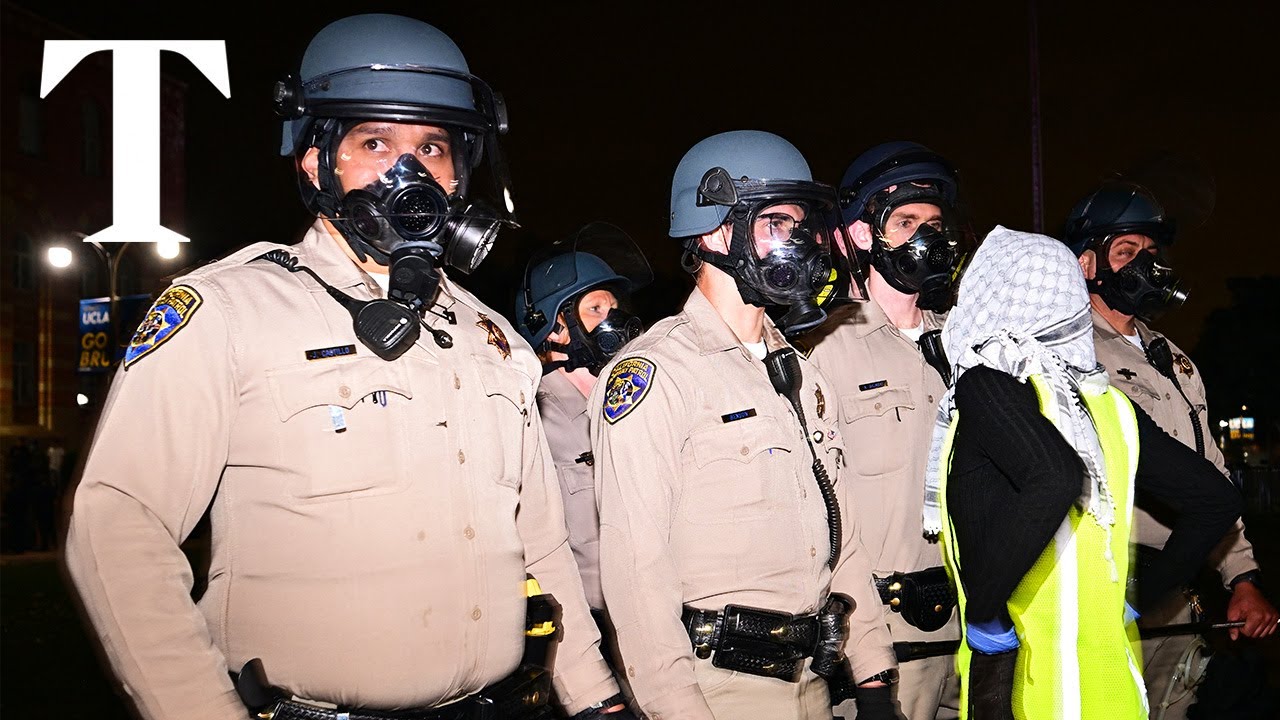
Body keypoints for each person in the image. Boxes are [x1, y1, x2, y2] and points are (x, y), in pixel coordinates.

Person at [63, 13, 629, 720]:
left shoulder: (495, 339)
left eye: (434, 146)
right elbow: (119, 522)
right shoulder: (229, 309)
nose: (411, 170)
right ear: (315, 159)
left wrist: (594, 697)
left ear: (460, 175)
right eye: (375, 142)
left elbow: (539, 541)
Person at [591, 130, 899, 720]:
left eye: (803, 227)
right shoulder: (656, 375)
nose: (800, 245)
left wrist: (875, 679)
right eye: (776, 224)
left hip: (814, 685)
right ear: (714, 232)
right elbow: (637, 573)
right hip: (720, 692)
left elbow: (845, 536)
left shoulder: (800, 373)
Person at [925, 226, 1241, 719]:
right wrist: (1140, 597)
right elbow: (1218, 500)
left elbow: (1054, 479)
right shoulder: (1110, 405)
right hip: (1111, 683)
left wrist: (986, 615)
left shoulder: (988, 386)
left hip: (1030, 689)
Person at [1061, 179, 1278, 718]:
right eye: (1127, 252)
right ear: (1088, 264)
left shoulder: (1172, 357)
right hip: (1109, 584)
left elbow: (1212, 472)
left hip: (1179, 588)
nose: (1146, 266)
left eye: (1151, 253)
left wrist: (1243, 578)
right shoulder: (1067, 350)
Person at [799, 141, 965, 719]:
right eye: (908, 221)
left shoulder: (966, 344)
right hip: (883, 640)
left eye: (936, 224)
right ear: (865, 235)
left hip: (973, 629)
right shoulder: (819, 348)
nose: (930, 238)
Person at [513, 222, 653, 679]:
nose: (614, 318)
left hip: (658, 619)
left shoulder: (635, 400)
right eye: (596, 308)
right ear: (556, 326)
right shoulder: (531, 418)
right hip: (589, 635)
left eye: (614, 306)